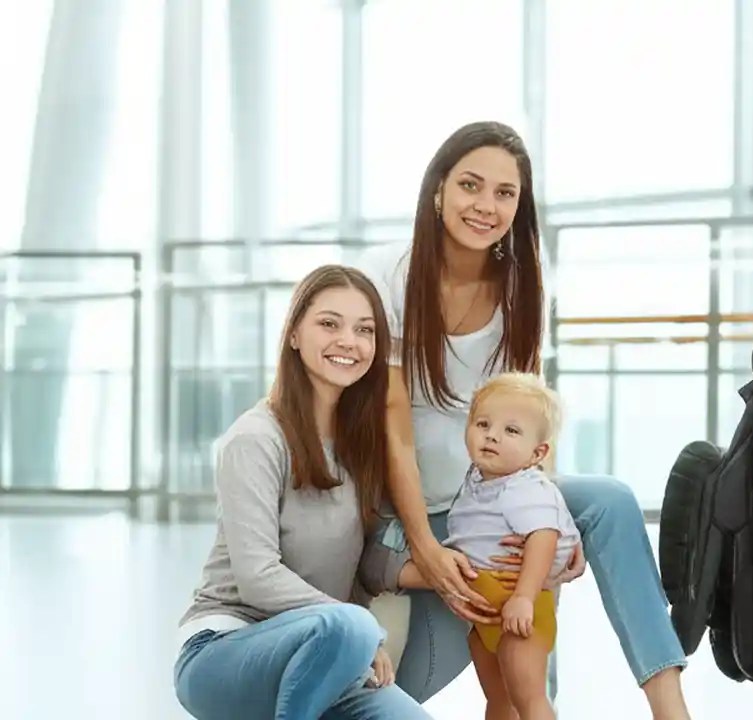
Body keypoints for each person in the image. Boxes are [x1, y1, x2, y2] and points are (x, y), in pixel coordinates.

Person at [354, 120, 691, 719]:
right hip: (414, 512)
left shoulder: (523, 284)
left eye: (504, 193)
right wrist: (428, 546)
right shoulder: (387, 276)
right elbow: (394, 434)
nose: (486, 206)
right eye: (470, 186)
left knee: (602, 502)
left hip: (496, 494)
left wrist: (554, 516)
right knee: (390, 693)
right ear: (438, 190)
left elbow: (530, 414)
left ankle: (669, 710)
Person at [173, 265, 428, 719]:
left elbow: (361, 557)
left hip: (328, 658)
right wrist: (360, 631)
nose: (349, 340)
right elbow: (256, 576)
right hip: (225, 651)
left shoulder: (360, 444)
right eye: (329, 324)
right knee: (350, 623)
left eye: (364, 330)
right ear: (293, 334)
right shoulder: (255, 439)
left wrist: (430, 570)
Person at [436, 372, 581, 720]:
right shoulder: (477, 480)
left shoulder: (525, 487)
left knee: (528, 699)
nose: (492, 435)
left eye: (511, 431)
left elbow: (544, 539)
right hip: (487, 618)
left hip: (519, 615)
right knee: (499, 701)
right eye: (483, 424)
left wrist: (523, 598)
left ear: (537, 453)